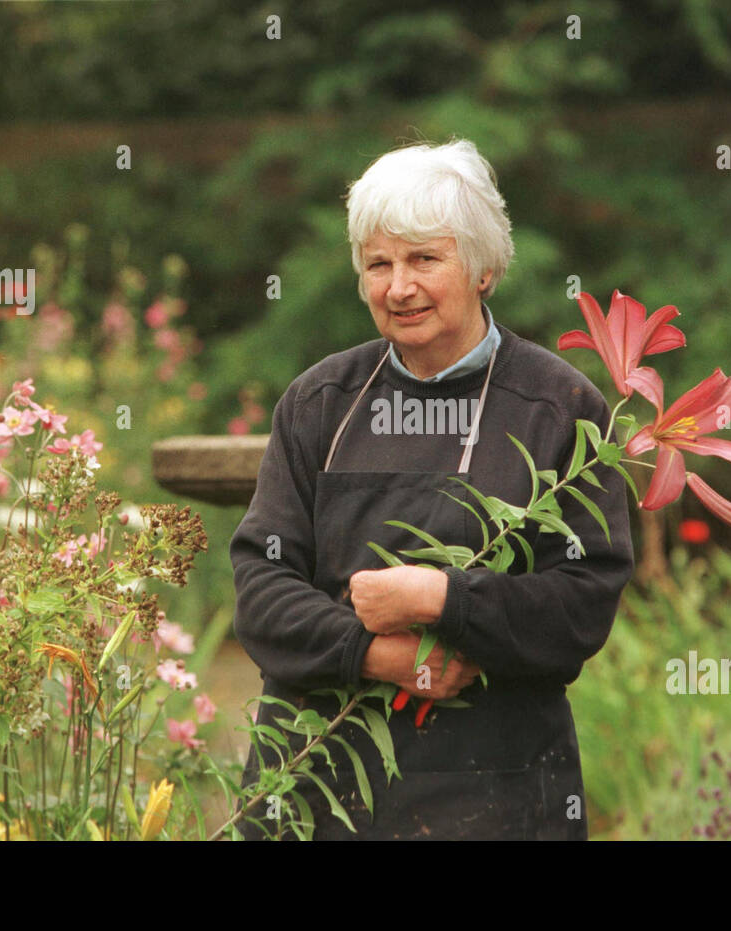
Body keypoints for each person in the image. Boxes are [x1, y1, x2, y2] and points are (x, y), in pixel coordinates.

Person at [229, 137, 635, 840]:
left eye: (424, 258)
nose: (398, 286)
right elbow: (262, 591)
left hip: (495, 796)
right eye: (378, 263)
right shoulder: (320, 402)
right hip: (314, 787)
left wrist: (444, 598)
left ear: (482, 268)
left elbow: (581, 604)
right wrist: (377, 655)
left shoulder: (558, 408)